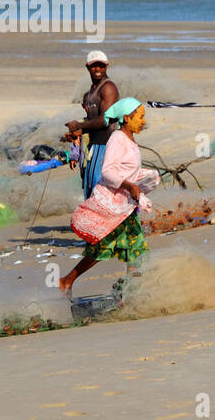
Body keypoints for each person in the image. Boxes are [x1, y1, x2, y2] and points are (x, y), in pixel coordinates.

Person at [60, 98, 158, 293]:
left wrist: (144, 181)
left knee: (135, 248)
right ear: (127, 118)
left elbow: (127, 169)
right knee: (106, 247)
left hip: (126, 207)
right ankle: (67, 280)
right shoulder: (117, 139)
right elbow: (108, 172)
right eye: (140, 117)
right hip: (114, 205)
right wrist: (129, 185)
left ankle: (131, 290)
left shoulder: (129, 139)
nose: (143, 121)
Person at [63, 50, 120, 200]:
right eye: (94, 66)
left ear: (106, 66)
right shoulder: (89, 94)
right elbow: (91, 123)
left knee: (99, 188)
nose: (98, 69)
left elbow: (104, 120)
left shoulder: (108, 88)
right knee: (89, 187)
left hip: (107, 145)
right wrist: (76, 133)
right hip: (94, 145)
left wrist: (78, 125)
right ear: (88, 67)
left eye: (101, 66)